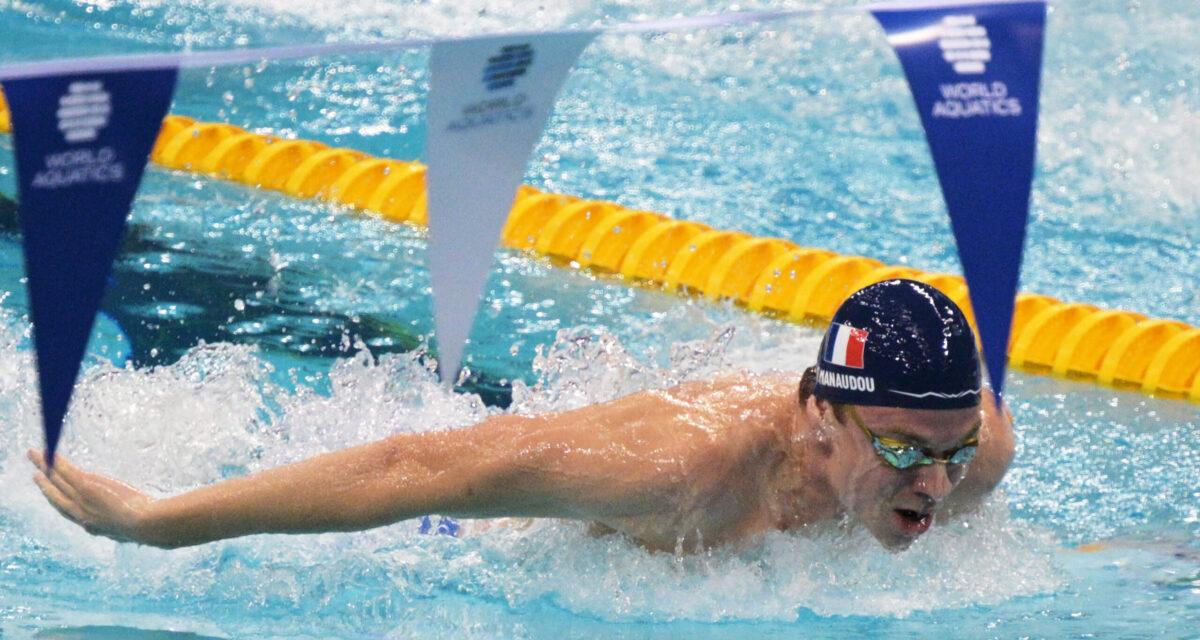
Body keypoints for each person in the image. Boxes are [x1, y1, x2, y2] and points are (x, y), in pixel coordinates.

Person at [28, 279, 1014, 553]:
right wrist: (161, 523)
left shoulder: (975, 454)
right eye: (899, 450)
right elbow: (421, 466)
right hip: (472, 527)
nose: (933, 481)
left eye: (950, 451)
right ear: (819, 419)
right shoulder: (685, 471)